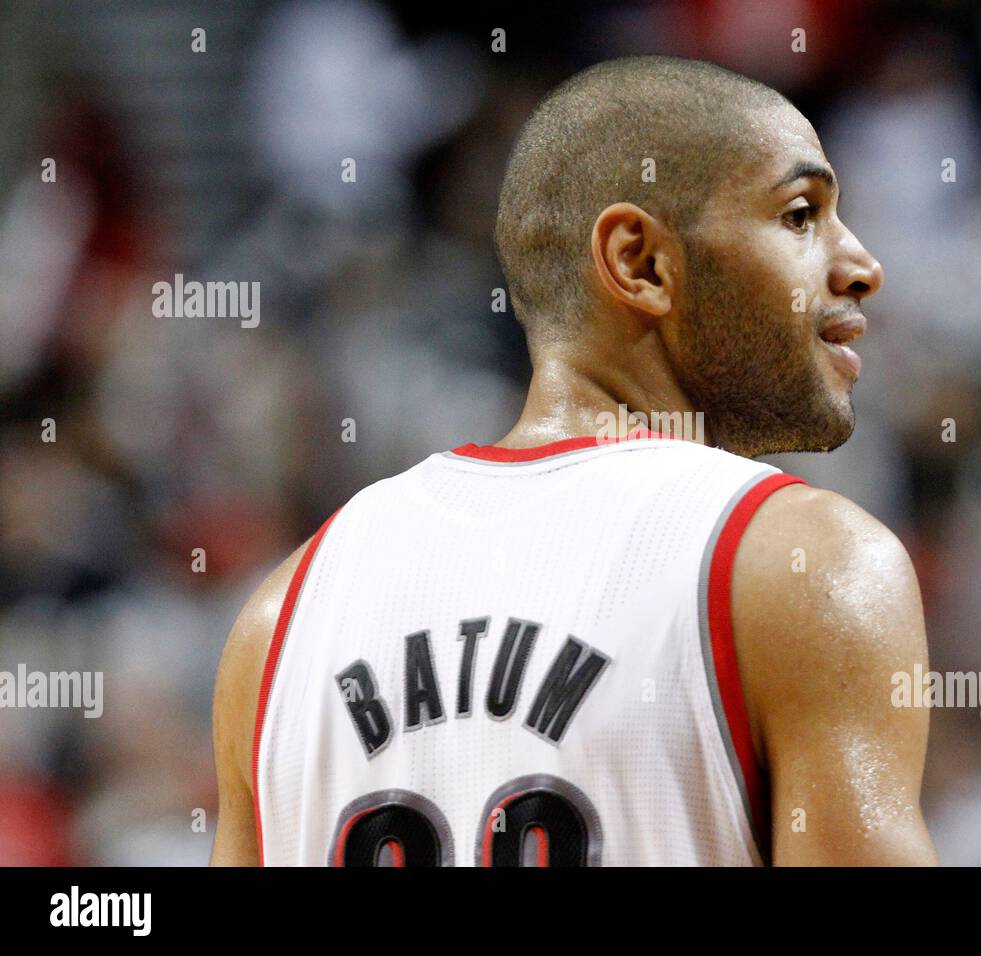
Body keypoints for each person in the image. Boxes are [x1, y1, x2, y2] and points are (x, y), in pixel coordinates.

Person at [211, 55, 937, 866]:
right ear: (641, 262)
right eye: (802, 215)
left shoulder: (283, 618)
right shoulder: (806, 566)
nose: (862, 266)